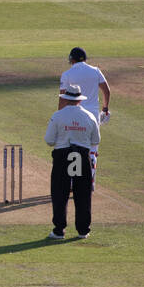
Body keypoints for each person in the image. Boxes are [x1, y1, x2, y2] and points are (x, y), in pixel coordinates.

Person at [44, 83, 100, 239]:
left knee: (59, 193)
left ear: (66, 99)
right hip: (82, 156)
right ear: (79, 100)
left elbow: (49, 140)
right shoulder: (89, 116)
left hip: (62, 156)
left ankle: (59, 230)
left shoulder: (58, 115)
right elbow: (96, 140)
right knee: (83, 194)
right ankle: (83, 230)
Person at [59, 46, 110, 187]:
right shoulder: (95, 71)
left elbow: (62, 98)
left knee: (72, 148)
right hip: (93, 117)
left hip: (74, 115)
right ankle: (90, 183)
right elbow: (107, 91)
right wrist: (105, 109)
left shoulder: (67, 74)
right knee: (92, 151)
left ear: (71, 59)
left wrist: (60, 116)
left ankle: (71, 183)